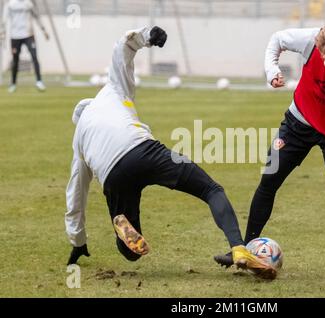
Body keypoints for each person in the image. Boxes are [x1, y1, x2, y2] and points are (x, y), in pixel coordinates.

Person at [65, 26, 276, 280]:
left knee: (131, 254)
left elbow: (76, 193)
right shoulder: (110, 92)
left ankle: (124, 231)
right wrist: (148, 35)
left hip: (113, 175)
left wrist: (77, 239)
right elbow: (122, 49)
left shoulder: (79, 140)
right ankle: (239, 247)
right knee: (211, 189)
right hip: (143, 149)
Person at [214, 20, 325, 280]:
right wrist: (271, 69)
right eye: (322, 55)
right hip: (299, 122)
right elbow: (277, 39)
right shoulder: (314, 39)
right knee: (269, 180)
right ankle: (242, 250)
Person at [1, 0, 49, 93]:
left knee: (34, 57)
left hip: (28, 34)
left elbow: (37, 17)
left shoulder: (29, 3)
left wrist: (43, 30)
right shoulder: (10, 4)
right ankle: (13, 84)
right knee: (15, 60)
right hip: (15, 36)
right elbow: (4, 20)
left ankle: (39, 81)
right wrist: (3, 33)